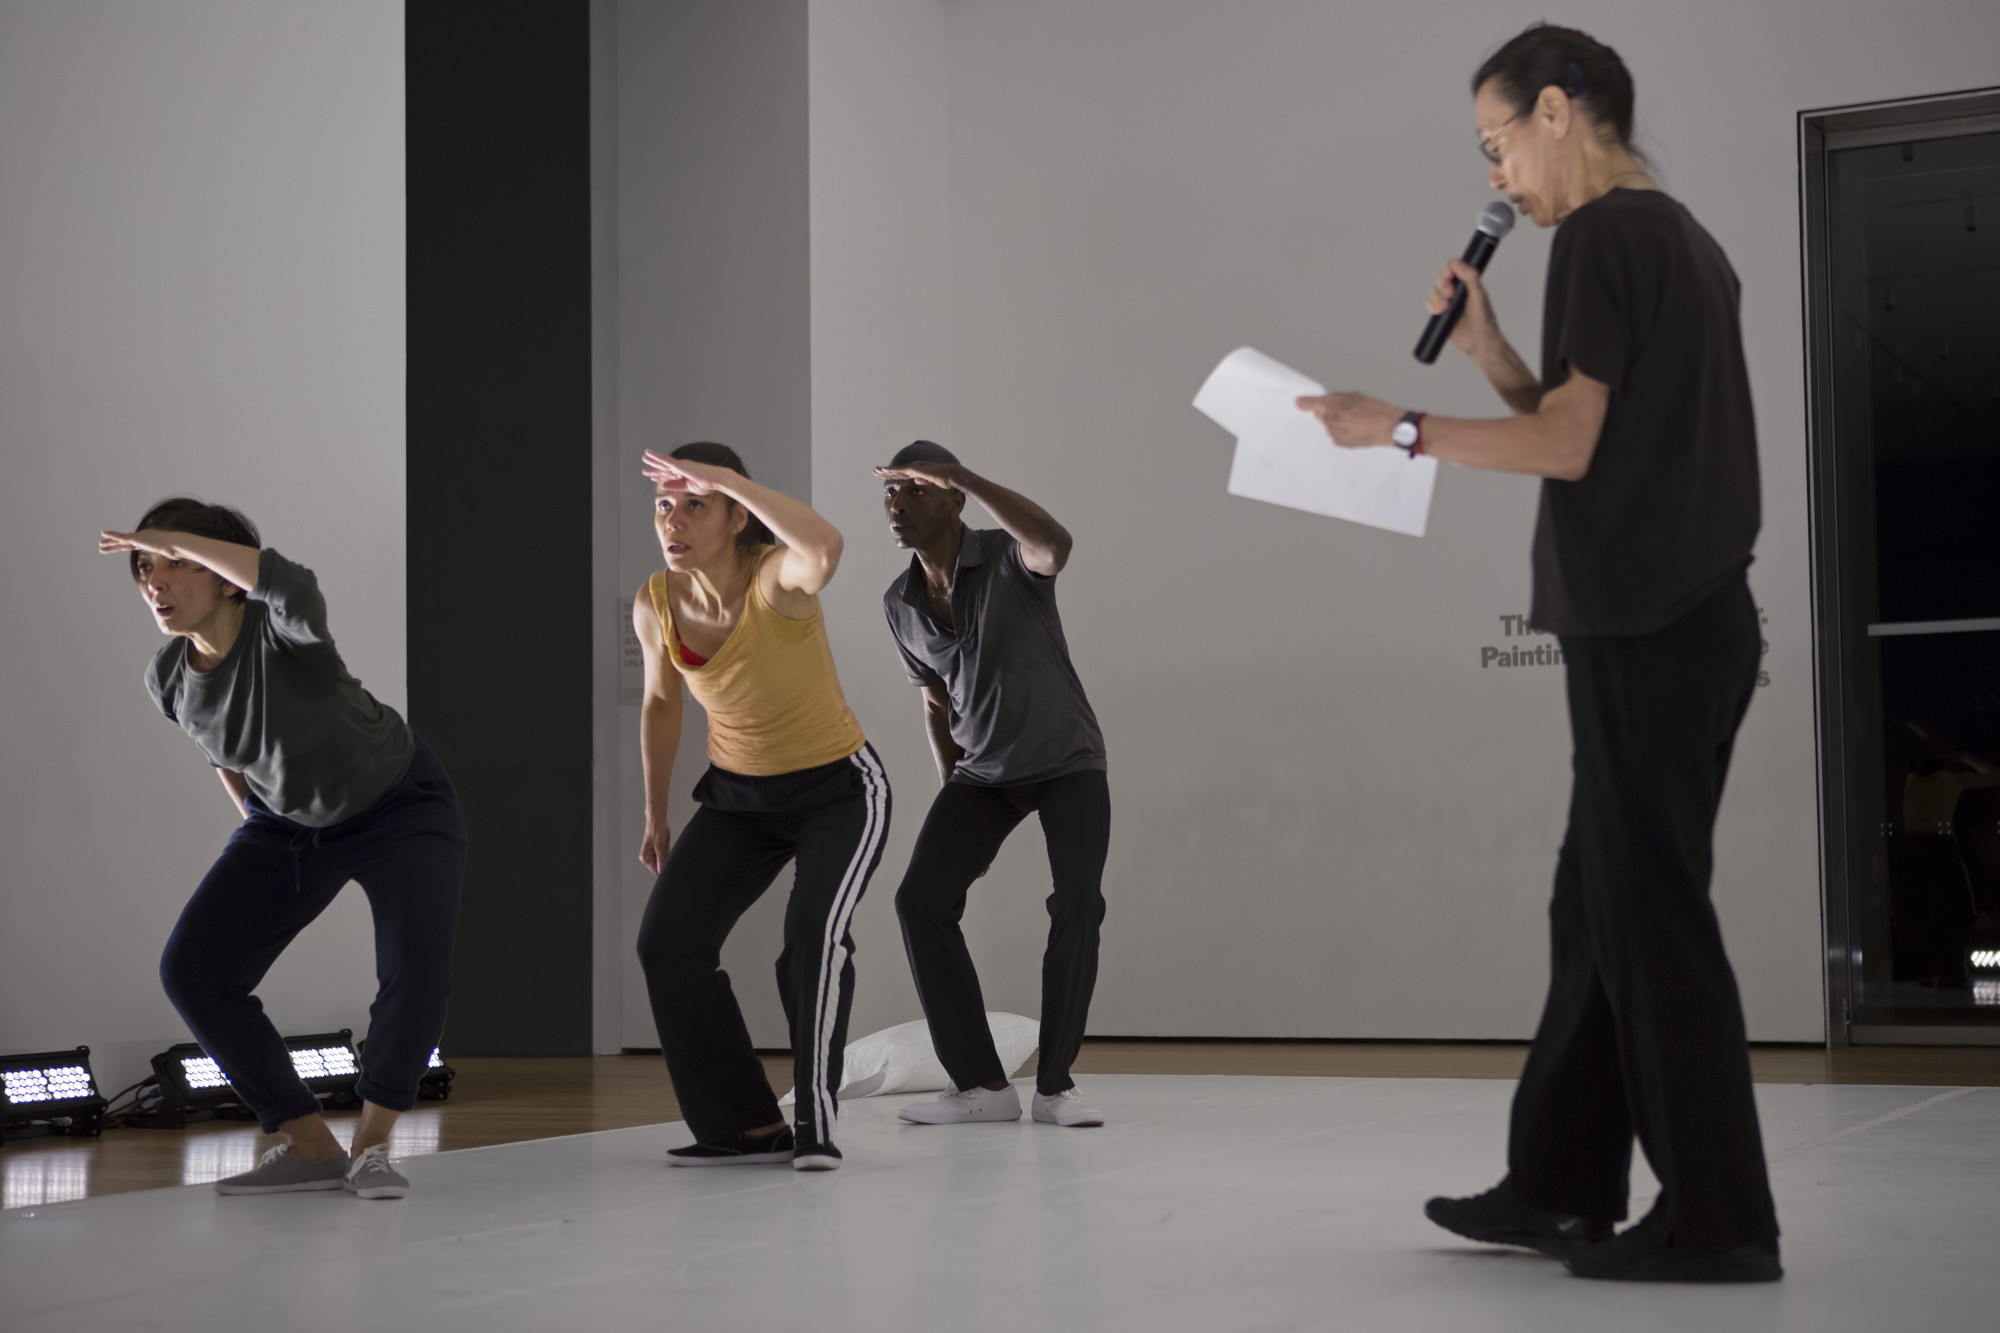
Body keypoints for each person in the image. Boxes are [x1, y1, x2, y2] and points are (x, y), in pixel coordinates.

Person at [1296, 24, 1781, 1282]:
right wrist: (1488, 354)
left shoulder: (1606, 236)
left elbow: (1564, 451)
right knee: (1595, 907)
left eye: (1496, 142)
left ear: (1557, 111)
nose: (1496, 174)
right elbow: (1583, 429)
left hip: (1648, 626)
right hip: (1681, 623)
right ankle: (1561, 1182)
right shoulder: (1676, 240)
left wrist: (1388, 426)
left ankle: (1720, 1218)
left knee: (1648, 914)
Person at [101, 499, 466, 1201]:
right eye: (144, 565)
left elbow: (288, 580)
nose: (154, 579)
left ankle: (374, 1146)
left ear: (226, 574)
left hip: (402, 805)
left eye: (175, 560)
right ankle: (308, 1144)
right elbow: (224, 755)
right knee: (195, 968)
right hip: (289, 823)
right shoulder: (168, 679)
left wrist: (178, 538)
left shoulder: (285, 627)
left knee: (414, 968)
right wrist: (264, 833)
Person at [632, 442, 890, 1172]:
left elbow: (825, 544)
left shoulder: (775, 580)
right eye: (664, 504)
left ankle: (815, 1120)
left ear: (737, 514)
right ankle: (742, 1124)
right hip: (740, 798)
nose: (672, 520)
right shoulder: (658, 599)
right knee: (669, 943)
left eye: (695, 503)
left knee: (809, 941)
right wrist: (655, 813)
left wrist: (732, 479)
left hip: (837, 791)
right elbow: (658, 701)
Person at [875, 441, 1111, 1128]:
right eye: (891, 491)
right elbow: (933, 701)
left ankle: (1056, 1087)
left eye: (916, 489)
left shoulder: (1008, 557)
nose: (897, 503)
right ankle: (981, 1084)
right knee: (920, 900)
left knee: (1077, 904)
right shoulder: (901, 601)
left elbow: (1054, 543)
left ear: (953, 498)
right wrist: (955, 795)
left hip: (1068, 760)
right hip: (982, 776)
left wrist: (970, 477)